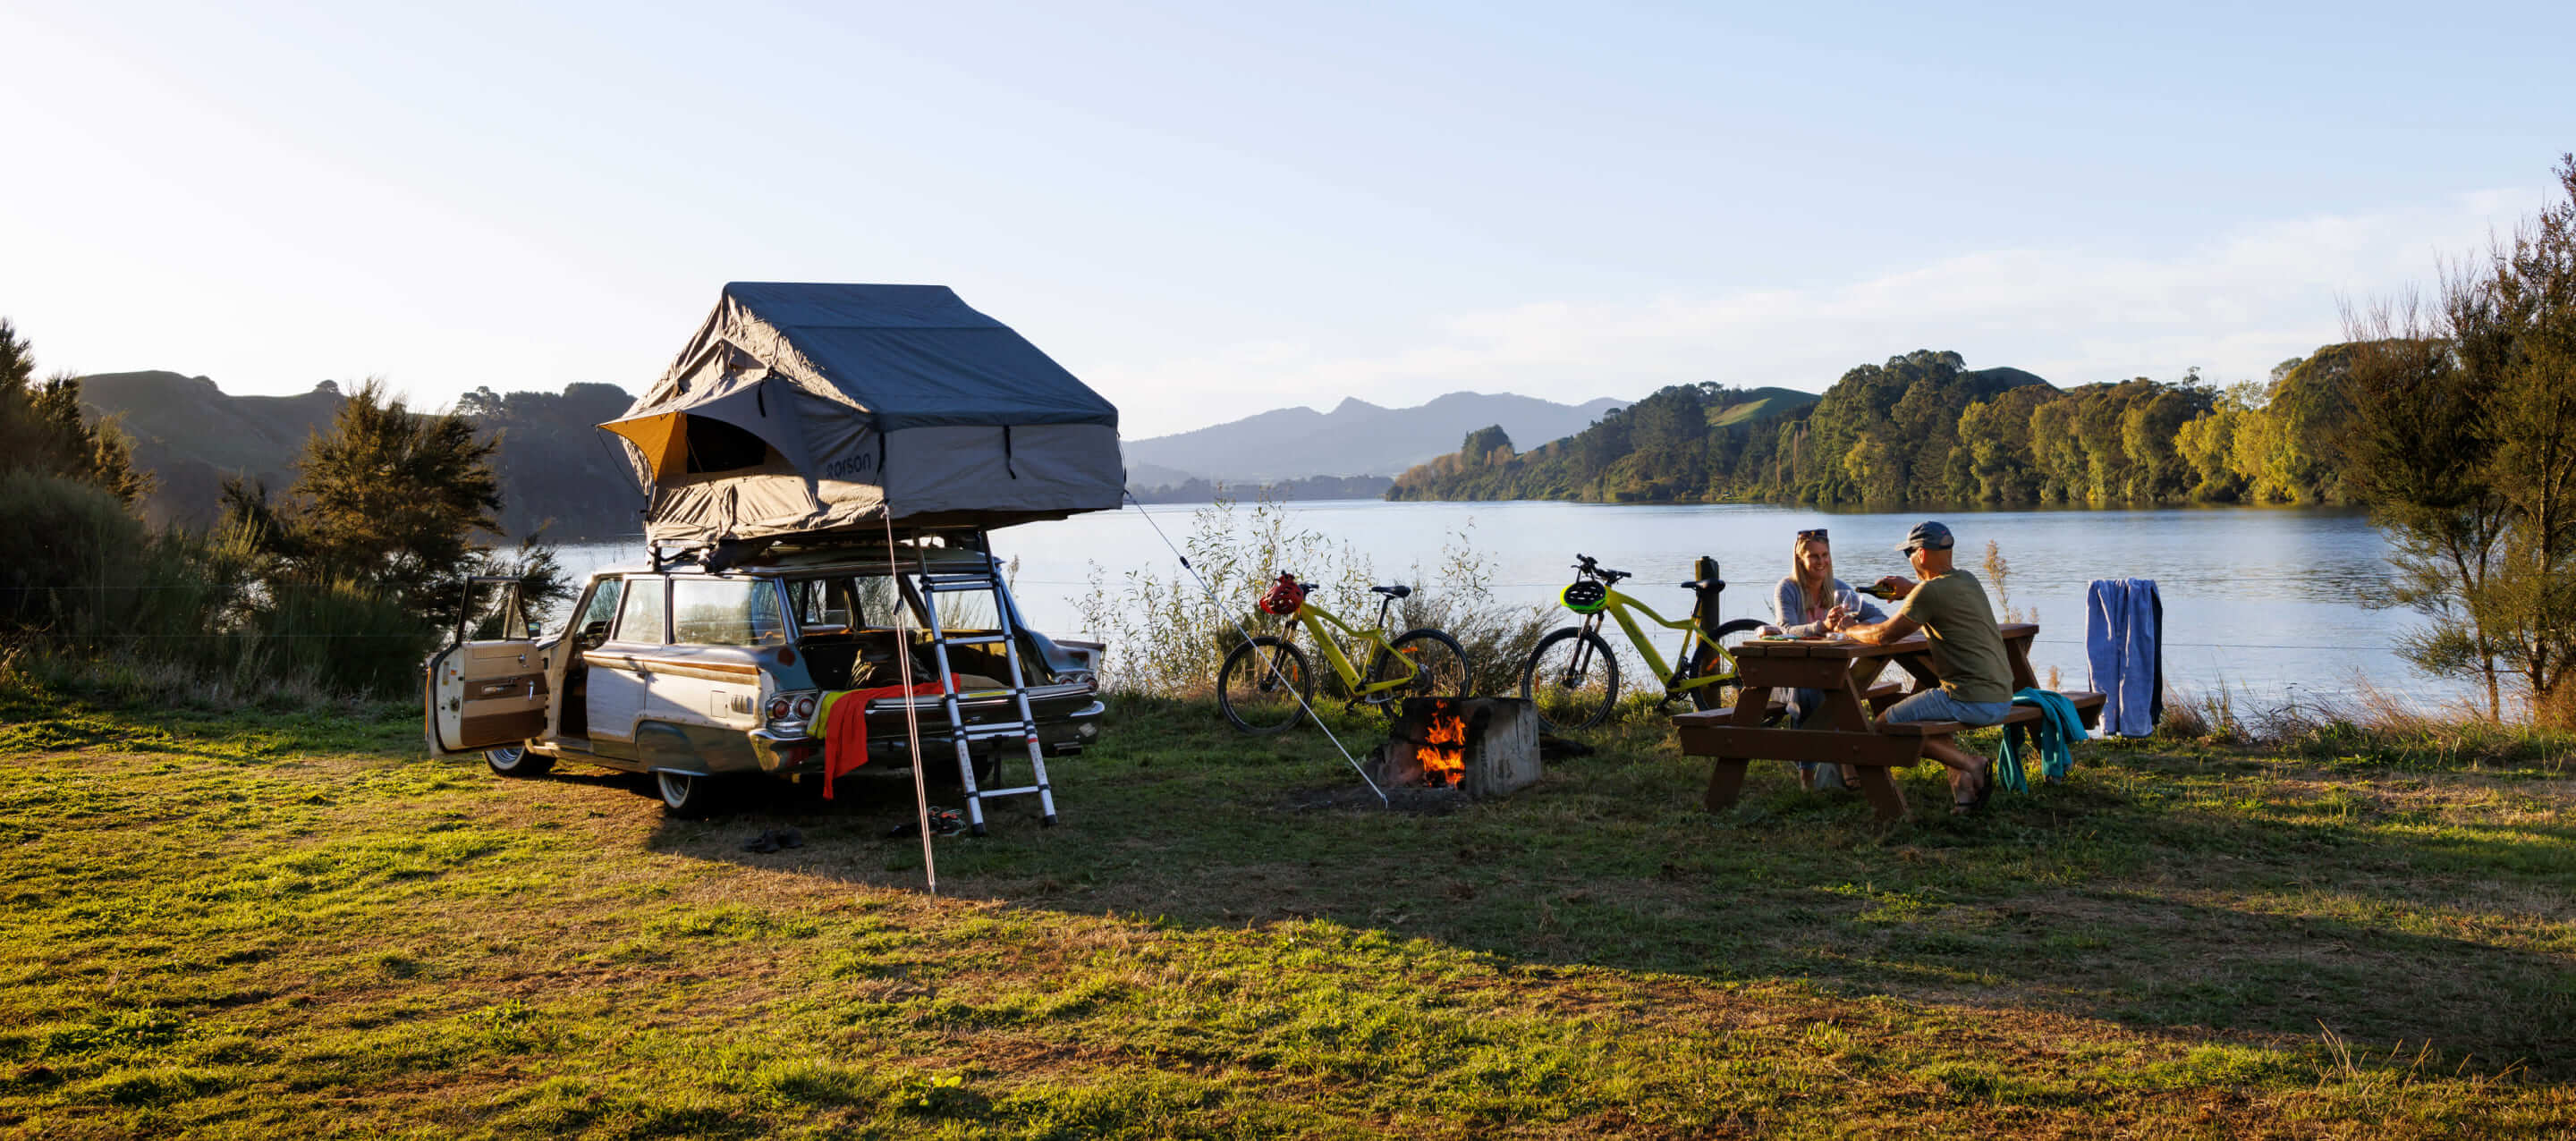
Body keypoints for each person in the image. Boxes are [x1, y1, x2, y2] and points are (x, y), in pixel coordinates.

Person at [1826, 520, 2015, 814]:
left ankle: (1971, 764)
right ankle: (1964, 787)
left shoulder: (1927, 593)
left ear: (1922, 555)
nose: (1910, 560)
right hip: (2002, 697)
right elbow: (1937, 596)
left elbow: (1882, 635)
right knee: (1924, 715)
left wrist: (1849, 626)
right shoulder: (1967, 580)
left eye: (1909, 554)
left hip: (1969, 698)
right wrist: (1910, 590)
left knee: (1886, 724)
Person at [1763, 528, 1885, 790]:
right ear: (1800, 559)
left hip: (1828, 671)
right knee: (1811, 690)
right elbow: (1787, 630)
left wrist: (1853, 628)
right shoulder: (1788, 588)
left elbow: (1880, 618)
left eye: (1825, 555)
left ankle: (1827, 765)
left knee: (1828, 686)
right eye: (1814, 556)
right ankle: (1834, 764)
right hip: (1787, 674)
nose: (1821, 562)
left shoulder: (1839, 589)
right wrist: (1822, 627)